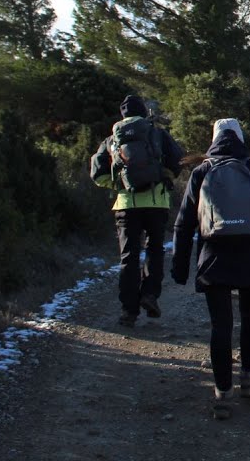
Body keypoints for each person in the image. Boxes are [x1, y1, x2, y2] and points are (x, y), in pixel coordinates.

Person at [171, 118, 250, 420]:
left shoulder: (201, 171)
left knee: (220, 325)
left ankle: (223, 393)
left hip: (214, 255)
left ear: (213, 140)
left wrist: (180, 267)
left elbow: (184, 224)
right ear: (240, 138)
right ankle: (249, 379)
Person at [89, 94, 184, 327]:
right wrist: (164, 177)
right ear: (143, 112)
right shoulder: (157, 134)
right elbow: (177, 160)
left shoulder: (112, 139)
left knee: (129, 256)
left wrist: (118, 185)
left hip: (126, 205)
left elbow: (97, 173)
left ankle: (128, 310)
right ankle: (150, 294)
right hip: (156, 203)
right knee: (155, 250)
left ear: (123, 115)